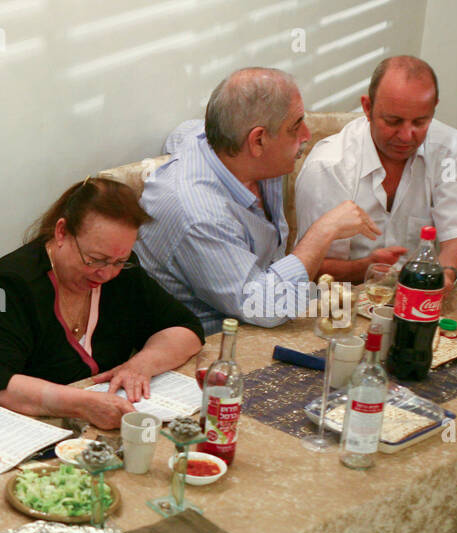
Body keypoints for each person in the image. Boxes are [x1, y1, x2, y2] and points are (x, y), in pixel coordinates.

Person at [136, 67, 382, 335]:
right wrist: (324, 232)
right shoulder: (197, 213)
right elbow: (265, 306)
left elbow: (183, 132)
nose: (307, 135)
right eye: (296, 126)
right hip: (213, 344)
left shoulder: (225, 146)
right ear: (258, 141)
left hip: (261, 321)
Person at [0, 178, 204, 430]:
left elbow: (186, 328)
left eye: (118, 261)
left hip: (80, 430)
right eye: (95, 259)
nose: (106, 274)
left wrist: (140, 365)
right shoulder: (5, 287)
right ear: (62, 232)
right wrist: (82, 404)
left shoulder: (124, 273)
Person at [295, 55, 457, 285]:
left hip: (418, 296)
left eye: (420, 122)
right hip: (340, 304)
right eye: (393, 121)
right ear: (367, 108)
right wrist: (368, 267)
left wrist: (444, 276)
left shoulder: (450, 150)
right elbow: (311, 269)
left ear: (433, 108)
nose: (406, 136)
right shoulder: (328, 165)